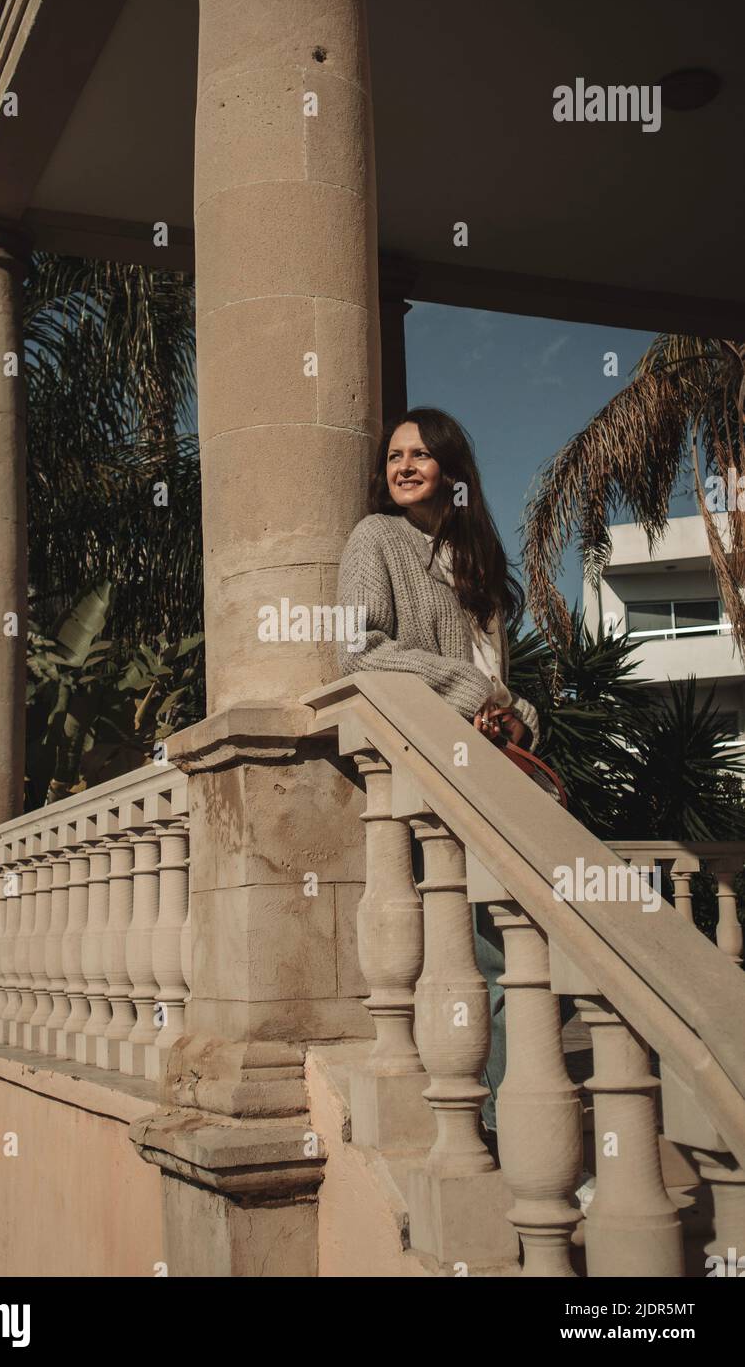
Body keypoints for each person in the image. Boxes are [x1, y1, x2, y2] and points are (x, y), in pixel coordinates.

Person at [336, 405, 565, 1136]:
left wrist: (516, 713)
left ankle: (517, 1117)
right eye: (395, 455)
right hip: (435, 772)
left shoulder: (475, 559)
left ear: (451, 470)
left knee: (525, 947)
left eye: (421, 456)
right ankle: (503, 1126)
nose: (403, 466)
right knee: (491, 949)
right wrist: (467, 692)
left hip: (493, 768)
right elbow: (357, 648)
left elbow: (496, 673)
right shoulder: (376, 538)